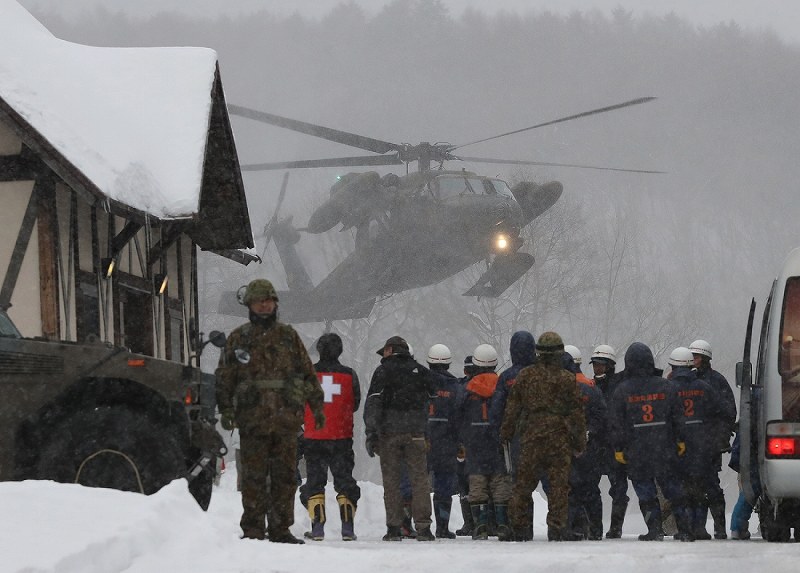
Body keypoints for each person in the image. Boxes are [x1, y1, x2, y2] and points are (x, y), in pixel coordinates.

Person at [216, 279, 325, 543]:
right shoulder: (239, 337)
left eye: (269, 300)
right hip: (252, 420)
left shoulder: (288, 336)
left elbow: (307, 373)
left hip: (286, 420)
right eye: (259, 300)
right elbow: (225, 376)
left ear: (275, 303)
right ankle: (253, 528)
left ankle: (280, 528)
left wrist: (317, 407)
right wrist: (226, 409)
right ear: (250, 305)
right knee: (253, 478)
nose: (264, 305)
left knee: (285, 477)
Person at [501, 332, 586, 541]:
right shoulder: (568, 379)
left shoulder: (525, 376)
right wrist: (579, 441)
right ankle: (557, 528)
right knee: (558, 485)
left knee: (523, 484)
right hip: (559, 437)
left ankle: (519, 528)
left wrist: (506, 433)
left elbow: (512, 408)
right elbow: (576, 413)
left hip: (531, 435)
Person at [609, 342, 693, 541]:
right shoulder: (668, 386)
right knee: (673, 490)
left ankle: (654, 530)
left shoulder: (622, 390)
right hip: (665, 449)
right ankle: (685, 529)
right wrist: (681, 441)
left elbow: (616, 424)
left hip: (637, 452)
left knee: (645, 492)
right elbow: (678, 418)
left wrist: (619, 448)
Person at [364, 336, 436, 541]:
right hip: (416, 433)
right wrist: (426, 432)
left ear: (389, 350)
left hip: (389, 434)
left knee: (392, 482)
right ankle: (423, 528)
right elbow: (431, 404)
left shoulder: (382, 372)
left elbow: (373, 404)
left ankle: (394, 528)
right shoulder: (421, 372)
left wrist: (371, 433)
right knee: (420, 481)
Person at [300, 333, 361, 541]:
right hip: (341, 437)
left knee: (316, 482)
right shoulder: (349, 375)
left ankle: (317, 529)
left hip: (314, 436)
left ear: (318, 350)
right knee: (344, 481)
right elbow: (355, 404)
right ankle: (347, 528)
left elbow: (298, 404)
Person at [666, 346, 729, 540]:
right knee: (705, 487)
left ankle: (686, 527)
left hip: (678, 446)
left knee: (683, 487)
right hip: (705, 446)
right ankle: (704, 527)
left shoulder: (668, 388)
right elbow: (723, 411)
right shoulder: (704, 386)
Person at [455, 344, 512, 540]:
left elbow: (457, 415)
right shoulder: (502, 385)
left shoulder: (466, 388)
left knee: (477, 483)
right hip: (497, 442)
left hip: (474, 442)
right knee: (499, 482)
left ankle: (480, 526)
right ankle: (502, 524)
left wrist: (461, 439)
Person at [688, 339, 737, 539]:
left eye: (696, 357)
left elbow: (729, 413)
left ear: (705, 359)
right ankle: (697, 527)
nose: (693, 361)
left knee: (711, 486)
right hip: (690, 444)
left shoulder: (717, 381)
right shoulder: (684, 379)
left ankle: (719, 527)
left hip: (710, 444)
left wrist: (721, 438)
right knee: (692, 487)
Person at [563, 351, 607, 540]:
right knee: (591, 490)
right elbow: (602, 417)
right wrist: (590, 433)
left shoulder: (560, 389)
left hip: (567, 447)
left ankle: (575, 527)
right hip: (591, 448)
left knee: (570, 489)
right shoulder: (592, 387)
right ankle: (596, 529)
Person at [590, 344, 630, 538]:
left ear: (610, 365)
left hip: (615, 445)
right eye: (595, 365)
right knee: (589, 486)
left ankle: (616, 527)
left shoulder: (620, 384)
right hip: (596, 445)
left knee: (619, 489)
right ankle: (593, 526)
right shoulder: (590, 386)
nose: (597, 368)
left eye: (600, 365)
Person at [425, 343, 461, 539]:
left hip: (423, 439)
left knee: (419, 483)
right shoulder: (454, 386)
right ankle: (442, 526)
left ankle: (419, 525)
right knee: (444, 485)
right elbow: (459, 415)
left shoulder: (420, 381)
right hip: (446, 441)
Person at [455, 355, 477, 536]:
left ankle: (469, 523)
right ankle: (482, 522)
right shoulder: (485, 387)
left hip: (462, 440)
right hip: (480, 440)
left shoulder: (460, 388)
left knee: (464, 484)